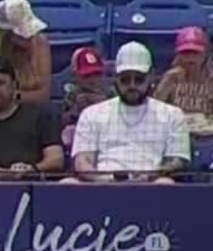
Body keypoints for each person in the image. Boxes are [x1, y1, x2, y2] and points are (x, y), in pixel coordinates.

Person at [67, 42, 190, 183]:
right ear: (115, 78)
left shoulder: (172, 114)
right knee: (67, 184)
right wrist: (101, 179)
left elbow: (176, 161)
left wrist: (150, 176)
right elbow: (83, 160)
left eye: (139, 79)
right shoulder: (92, 114)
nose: (132, 86)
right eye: (125, 80)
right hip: (102, 184)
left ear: (151, 76)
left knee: (165, 183)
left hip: (151, 185)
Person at [152, 26, 213, 135]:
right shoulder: (171, 77)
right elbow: (155, 112)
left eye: (195, 53)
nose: (190, 58)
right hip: (175, 133)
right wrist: (166, 85)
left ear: (205, 54)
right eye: (186, 53)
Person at [61, 46, 111, 148]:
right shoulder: (73, 93)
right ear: (76, 76)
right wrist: (76, 109)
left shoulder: (111, 92)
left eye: (97, 74)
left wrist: (103, 102)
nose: (93, 80)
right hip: (81, 138)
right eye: (87, 76)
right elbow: (63, 121)